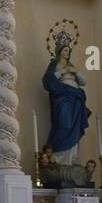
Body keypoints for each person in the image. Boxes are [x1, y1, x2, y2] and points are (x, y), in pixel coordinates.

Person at [42, 33, 90, 165]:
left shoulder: (72, 66)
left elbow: (84, 82)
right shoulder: (54, 64)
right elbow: (47, 80)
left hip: (76, 99)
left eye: (68, 50)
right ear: (59, 51)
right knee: (64, 124)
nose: (67, 52)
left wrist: (75, 71)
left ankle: (71, 158)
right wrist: (62, 72)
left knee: (74, 126)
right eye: (65, 50)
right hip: (62, 99)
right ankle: (59, 157)